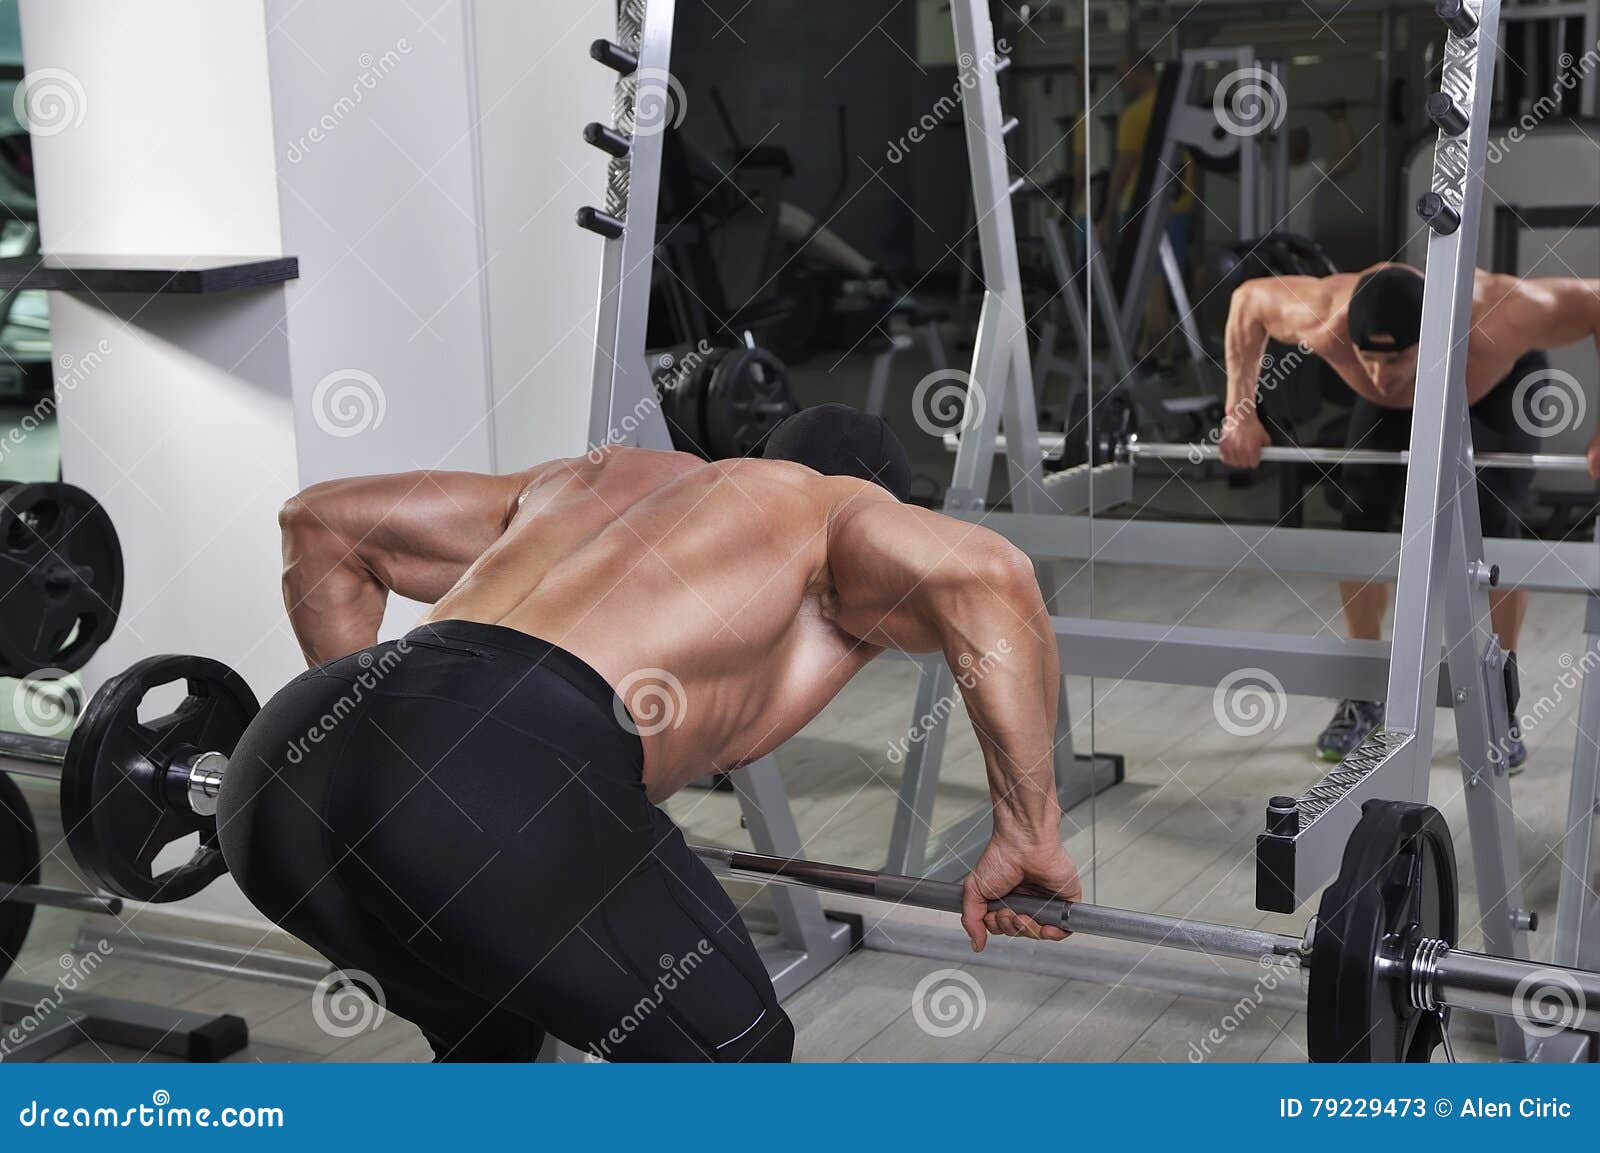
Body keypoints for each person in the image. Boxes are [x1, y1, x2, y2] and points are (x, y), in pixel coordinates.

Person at [217, 404, 1080, 1063]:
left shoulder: (598, 480)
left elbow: (319, 523)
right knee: (732, 1058)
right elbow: (992, 573)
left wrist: (368, 757)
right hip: (487, 777)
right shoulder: (832, 510)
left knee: (495, 1040)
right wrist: (1028, 833)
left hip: (277, 782)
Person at [1219, 263, 1600, 765]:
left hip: (1493, 386)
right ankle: (1363, 693)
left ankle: (1495, 699)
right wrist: (1239, 411)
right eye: (1366, 358)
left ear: (1434, 335)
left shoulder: (1503, 318)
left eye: (1395, 358)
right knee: (1361, 519)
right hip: (1392, 408)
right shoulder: (1322, 315)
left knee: (1495, 528)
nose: (1379, 373)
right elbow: (1247, 301)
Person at [1099, 55, 1194, 362]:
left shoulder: (1135, 114)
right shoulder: (1179, 108)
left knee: (1152, 281)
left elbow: (1124, 168)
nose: (1120, 82)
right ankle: (1149, 348)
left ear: (1141, 71)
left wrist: (1106, 213)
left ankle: (1156, 353)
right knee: (1162, 281)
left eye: (1124, 75)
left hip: (1146, 208)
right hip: (1180, 205)